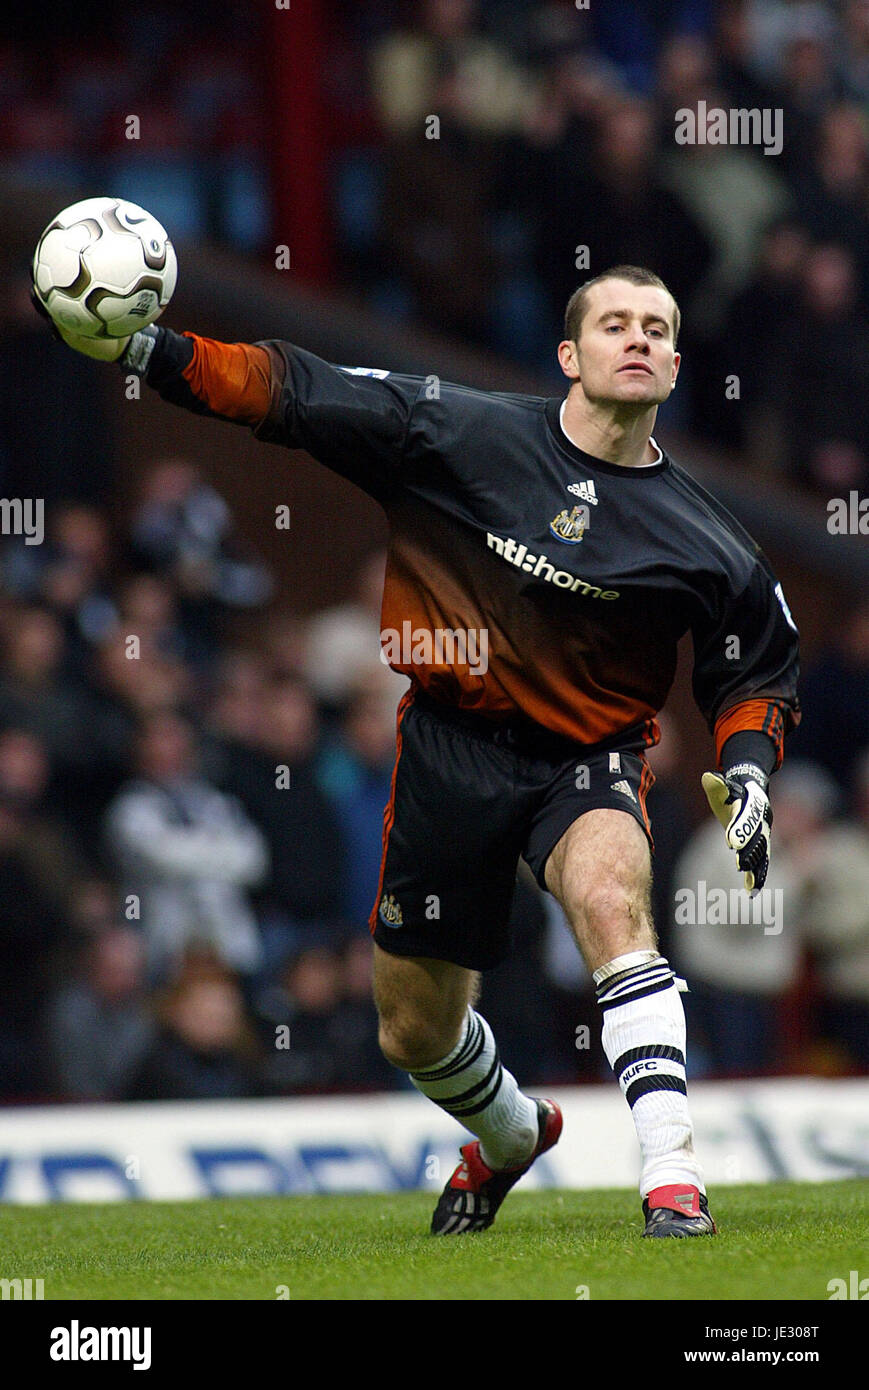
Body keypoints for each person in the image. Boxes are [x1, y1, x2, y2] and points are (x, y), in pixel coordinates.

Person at [40, 263, 800, 1238]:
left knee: (614, 907)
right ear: (569, 355)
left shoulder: (707, 538)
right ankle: (510, 1132)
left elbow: (756, 674)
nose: (639, 338)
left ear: (674, 363)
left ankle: (670, 1179)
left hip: (589, 757)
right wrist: (152, 349)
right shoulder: (457, 431)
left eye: (656, 326)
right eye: (615, 323)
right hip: (446, 754)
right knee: (412, 1030)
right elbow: (290, 389)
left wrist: (744, 768)